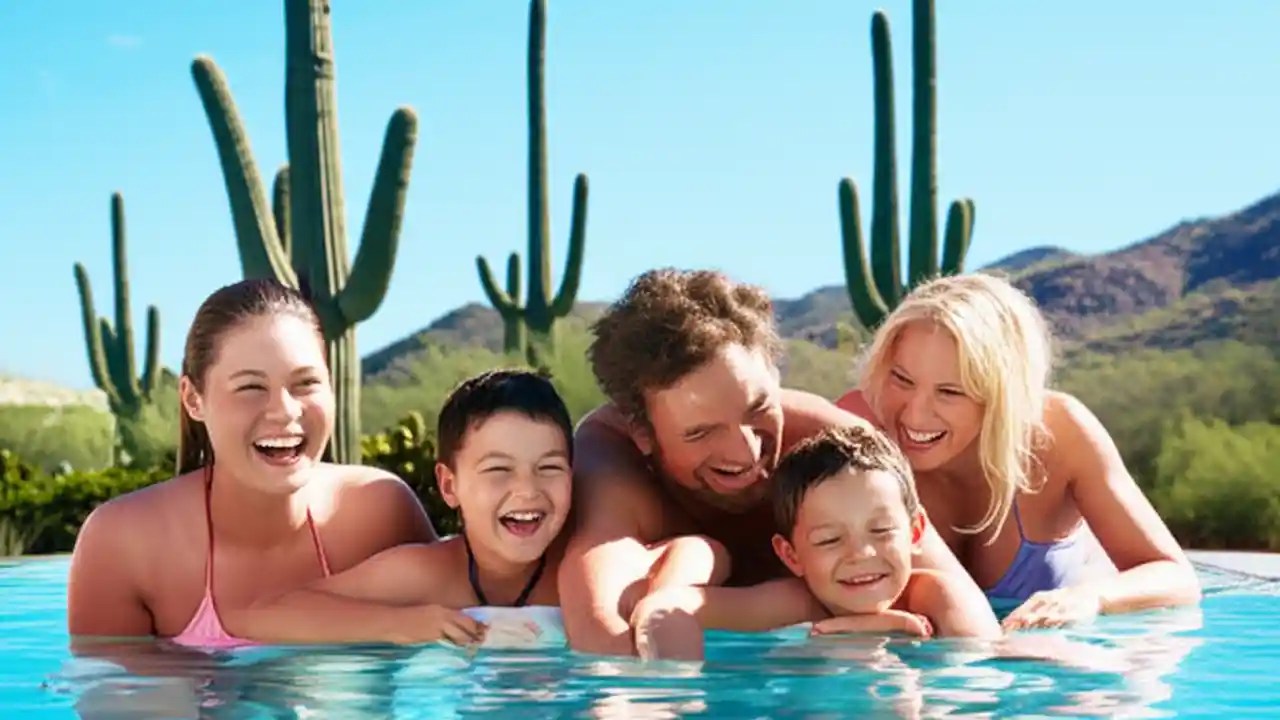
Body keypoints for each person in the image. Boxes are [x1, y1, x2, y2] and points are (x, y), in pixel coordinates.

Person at [556, 268, 996, 657]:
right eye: (701, 432)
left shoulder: (836, 446)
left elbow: (950, 592)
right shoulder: (615, 455)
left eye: (758, 408)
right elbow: (601, 628)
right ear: (644, 434)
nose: (746, 453)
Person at [221, 367, 726, 648]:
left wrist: (664, 595)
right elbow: (260, 615)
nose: (526, 491)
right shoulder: (429, 574)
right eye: (498, 470)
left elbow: (699, 549)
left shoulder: (579, 568)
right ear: (449, 485)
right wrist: (401, 623)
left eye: (548, 468)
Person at [66, 278, 437, 648]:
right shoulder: (125, 543)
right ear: (194, 399)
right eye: (251, 387)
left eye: (306, 383)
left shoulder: (381, 512)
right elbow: (113, 697)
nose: (285, 411)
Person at [834, 272, 1201, 630]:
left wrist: (1091, 597)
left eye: (950, 392)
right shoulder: (859, 429)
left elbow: (1176, 577)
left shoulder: (1058, 435)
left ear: (1002, 396)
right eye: (902, 379)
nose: (914, 413)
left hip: (1045, 669)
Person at [626, 424, 1002, 659]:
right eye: (830, 539)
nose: (861, 554)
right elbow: (665, 606)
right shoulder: (794, 603)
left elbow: (983, 673)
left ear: (915, 532)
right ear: (791, 556)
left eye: (881, 531)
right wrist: (671, 691)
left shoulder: (939, 598)